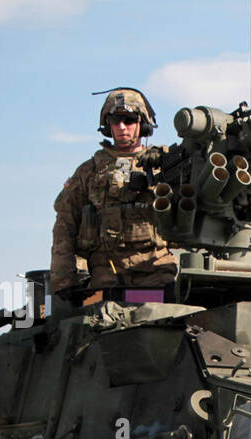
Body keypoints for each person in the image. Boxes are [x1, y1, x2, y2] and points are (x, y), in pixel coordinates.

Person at [50, 88, 176, 301]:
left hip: (156, 275)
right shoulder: (89, 172)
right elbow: (65, 225)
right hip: (106, 278)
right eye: (115, 121)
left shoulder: (166, 165)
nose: (122, 127)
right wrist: (64, 278)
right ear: (107, 125)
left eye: (129, 120)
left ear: (143, 123)